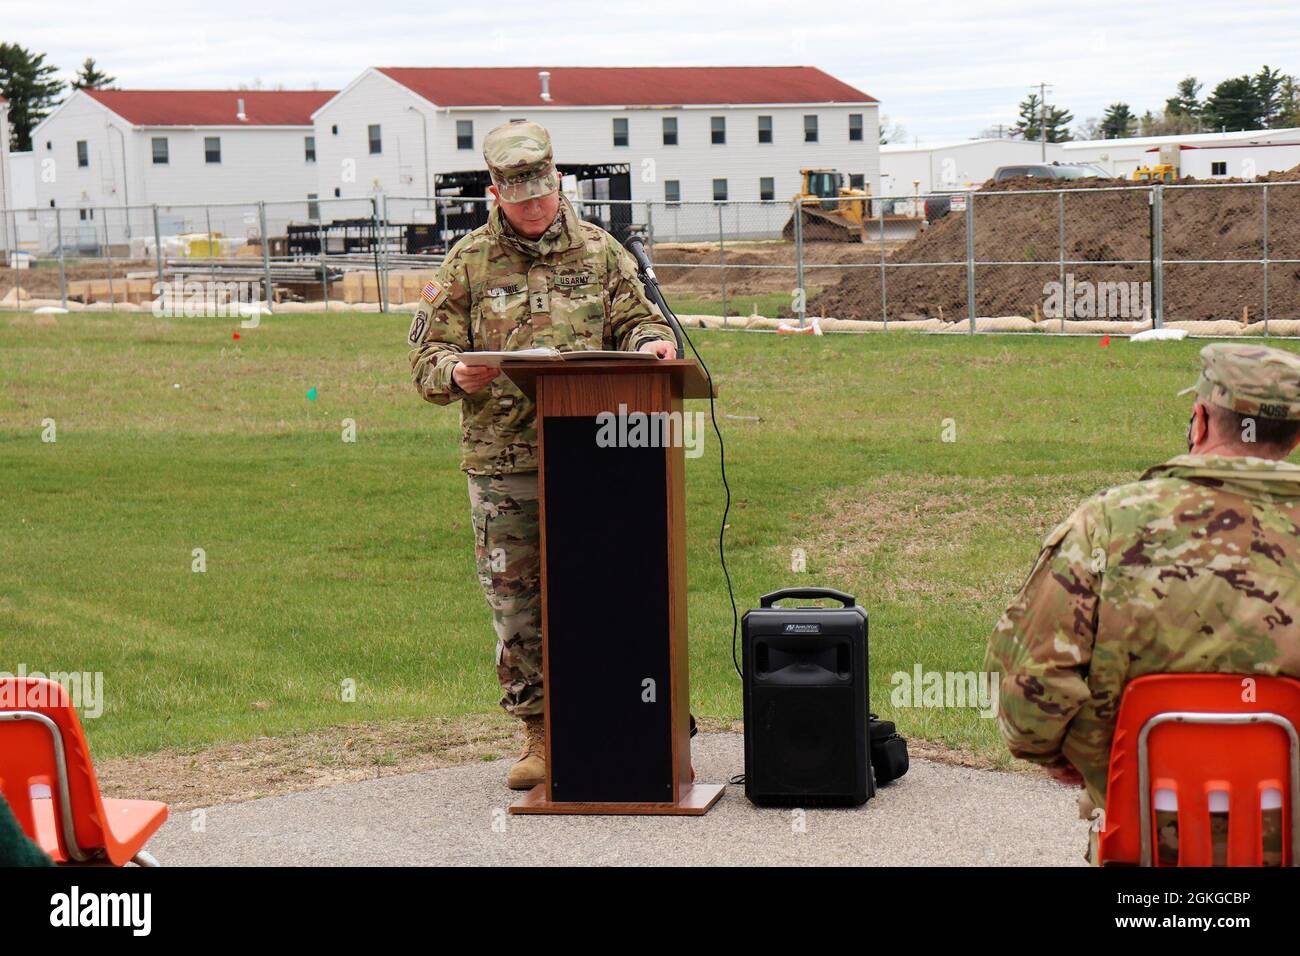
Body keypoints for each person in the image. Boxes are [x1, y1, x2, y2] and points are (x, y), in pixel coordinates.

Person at [409, 120, 678, 790]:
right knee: (518, 602)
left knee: (612, 591)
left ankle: (624, 718)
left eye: (542, 194)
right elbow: (425, 361)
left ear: (557, 182)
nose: (534, 209)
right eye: (519, 199)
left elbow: (639, 321)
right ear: (496, 194)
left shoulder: (603, 253)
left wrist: (652, 346)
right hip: (506, 465)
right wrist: (454, 374)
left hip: (602, 455)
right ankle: (539, 733)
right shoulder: (466, 263)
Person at [986, 343, 1300, 855]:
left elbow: (1030, 689)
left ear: (1198, 420)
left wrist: (1075, 759)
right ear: (1294, 438)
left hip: (1148, 838)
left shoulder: (1107, 524)